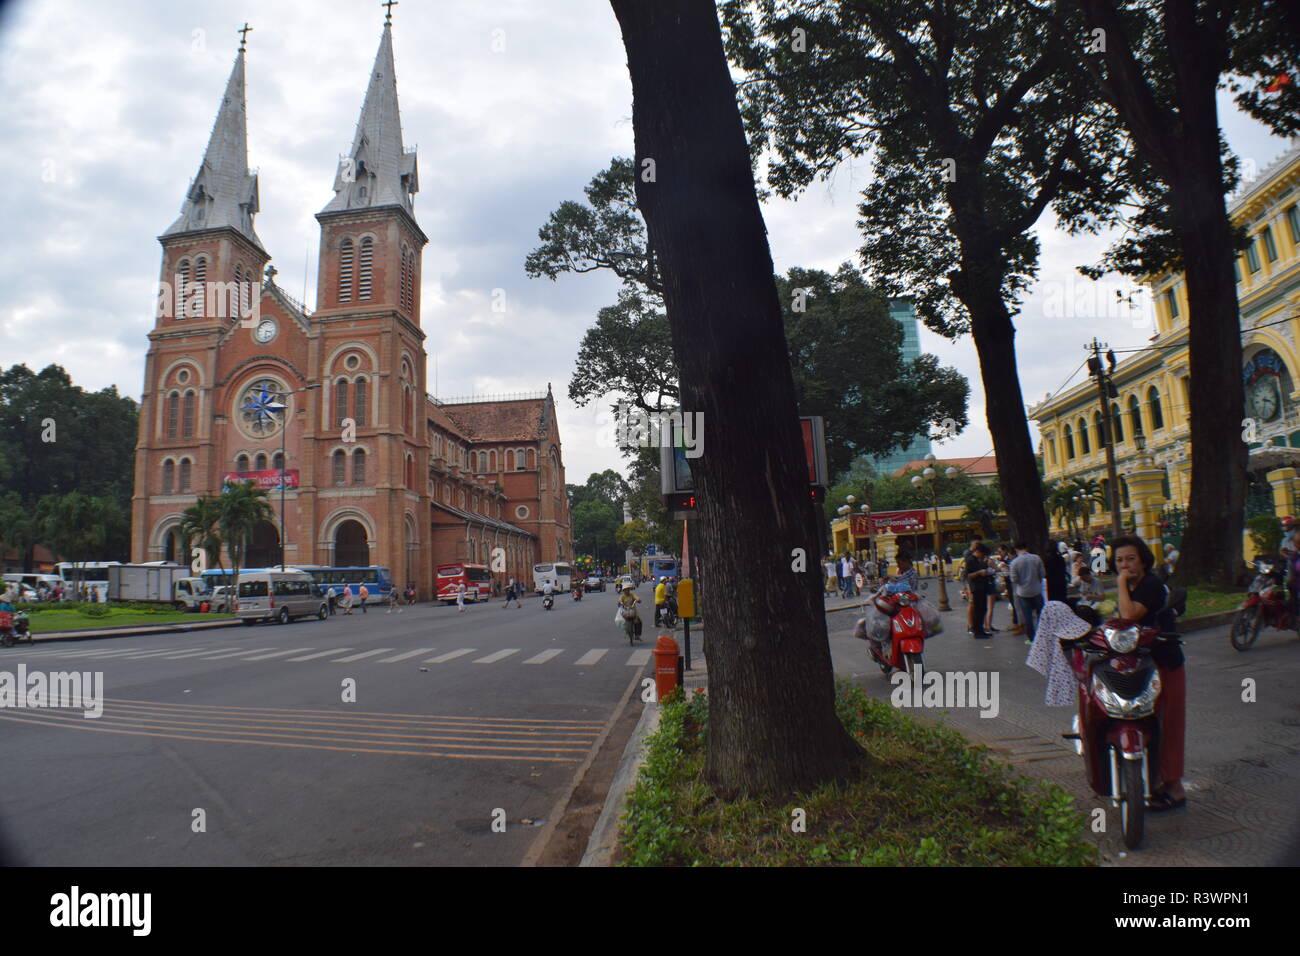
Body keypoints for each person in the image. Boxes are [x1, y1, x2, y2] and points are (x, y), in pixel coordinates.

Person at [1113, 533, 1186, 811]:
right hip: (1143, 666)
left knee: (1169, 725)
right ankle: (1154, 784)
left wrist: (1119, 583)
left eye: (1131, 558)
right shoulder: (1134, 586)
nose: (1125, 565)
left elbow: (1128, 616)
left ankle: (1174, 788)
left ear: (1143, 560)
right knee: (1150, 724)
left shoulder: (1151, 585)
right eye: (1119, 560)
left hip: (1165, 664)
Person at [1009, 541, 1045, 644]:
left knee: (1027, 616)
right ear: (1026, 548)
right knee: (1041, 614)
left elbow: (1014, 579)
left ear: (1016, 550)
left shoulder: (1014, 562)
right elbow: (1042, 574)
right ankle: (1042, 635)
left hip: (1023, 592)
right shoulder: (1036, 558)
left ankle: (1032, 638)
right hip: (1036, 590)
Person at [964, 543, 993, 638]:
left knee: (983, 609)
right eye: (983, 554)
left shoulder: (977, 560)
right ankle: (977, 631)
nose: (983, 556)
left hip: (981, 586)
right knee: (978, 610)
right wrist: (979, 572)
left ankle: (980, 630)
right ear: (979, 552)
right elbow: (968, 575)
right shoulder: (970, 560)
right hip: (976, 587)